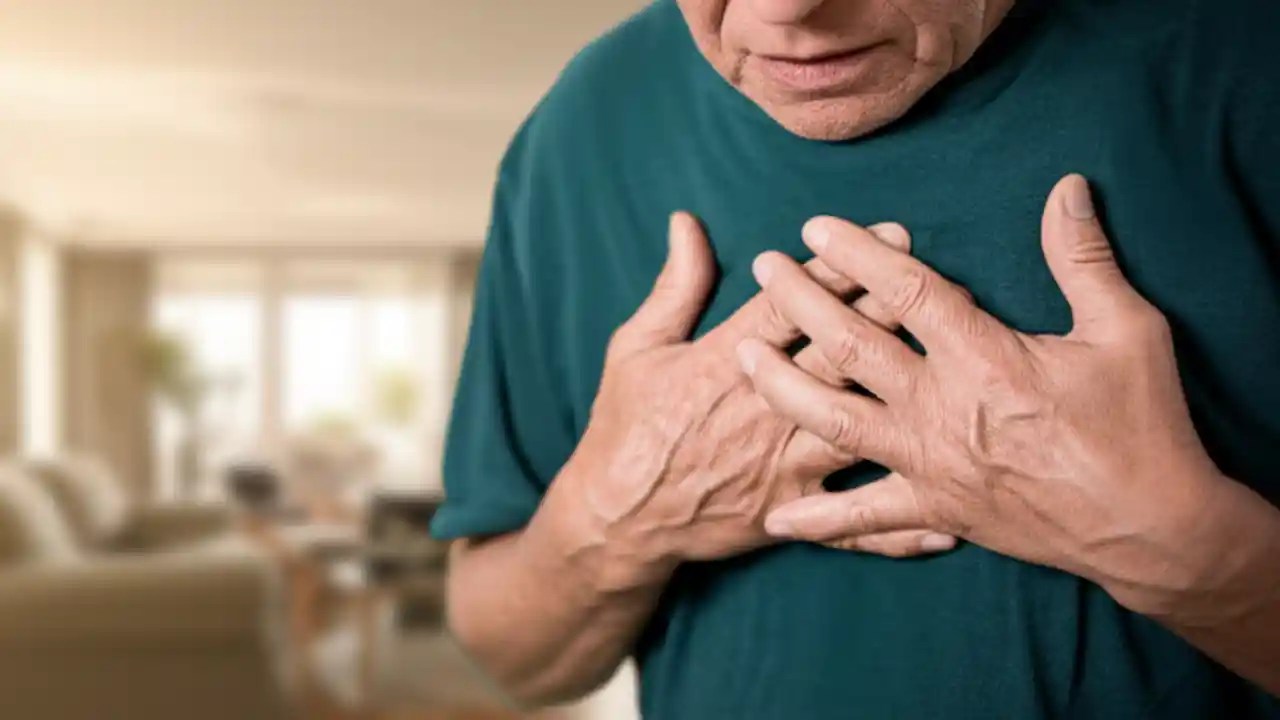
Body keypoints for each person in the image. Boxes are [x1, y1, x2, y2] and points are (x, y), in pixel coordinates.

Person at [431, 0, 1280, 717]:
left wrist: (1191, 560)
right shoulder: (587, 127)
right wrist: (617, 514)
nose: (783, 11)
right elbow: (517, 657)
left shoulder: (1245, 59)